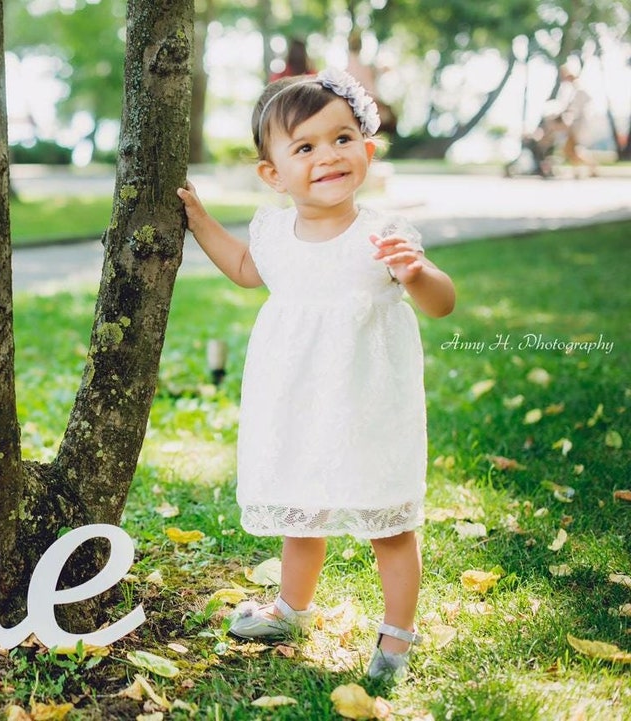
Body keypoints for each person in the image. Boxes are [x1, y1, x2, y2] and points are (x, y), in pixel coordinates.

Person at [177, 68, 455, 681]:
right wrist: (198, 220)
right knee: (302, 507)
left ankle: (397, 638)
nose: (328, 156)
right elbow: (247, 268)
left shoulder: (382, 234)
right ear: (273, 173)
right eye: (304, 147)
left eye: (342, 139)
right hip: (296, 397)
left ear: (367, 150)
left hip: (369, 401)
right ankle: (291, 606)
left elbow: (442, 303)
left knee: (388, 516)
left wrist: (417, 275)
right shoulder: (274, 231)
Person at [555, 64, 598, 177]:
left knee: (570, 148)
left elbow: (579, 107)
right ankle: (580, 169)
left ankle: (590, 166)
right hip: (574, 122)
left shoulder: (579, 87)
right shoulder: (572, 88)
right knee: (570, 148)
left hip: (578, 123)